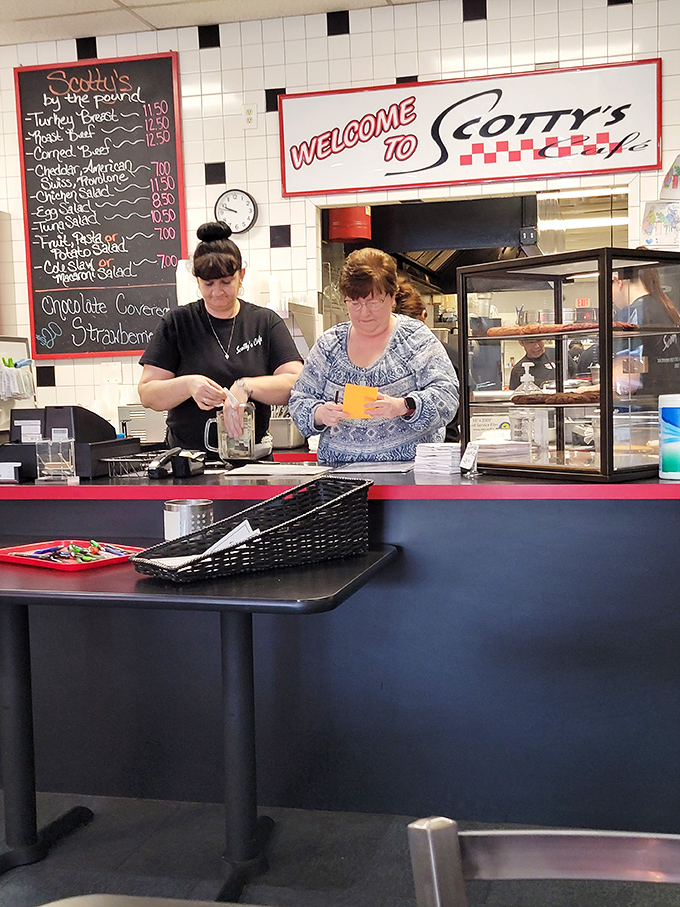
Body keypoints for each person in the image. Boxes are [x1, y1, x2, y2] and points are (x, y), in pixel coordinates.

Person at [138, 222, 303, 451]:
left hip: (251, 461)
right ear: (197, 281)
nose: (217, 292)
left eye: (226, 282)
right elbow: (148, 394)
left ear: (241, 275)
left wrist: (246, 386)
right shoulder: (177, 323)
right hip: (188, 462)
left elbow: (296, 383)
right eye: (208, 284)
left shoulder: (264, 322)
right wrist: (188, 385)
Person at [289, 248, 459, 465]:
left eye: (373, 302)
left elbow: (447, 395)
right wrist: (320, 414)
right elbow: (299, 401)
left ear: (392, 297)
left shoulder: (415, 339)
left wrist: (403, 406)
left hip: (409, 476)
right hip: (340, 479)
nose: (364, 312)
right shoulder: (329, 345)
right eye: (354, 303)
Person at [394, 279, 460, 442]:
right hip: (442, 445)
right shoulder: (444, 351)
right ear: (423, 314)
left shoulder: (380, 355)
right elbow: (467, 398)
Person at [610, 263, 680, 396]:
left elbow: (625, 382)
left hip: (644, 404)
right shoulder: (667, 309)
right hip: (670, 404)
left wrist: (584, 391)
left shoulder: (630, 315)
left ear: (619, 281)